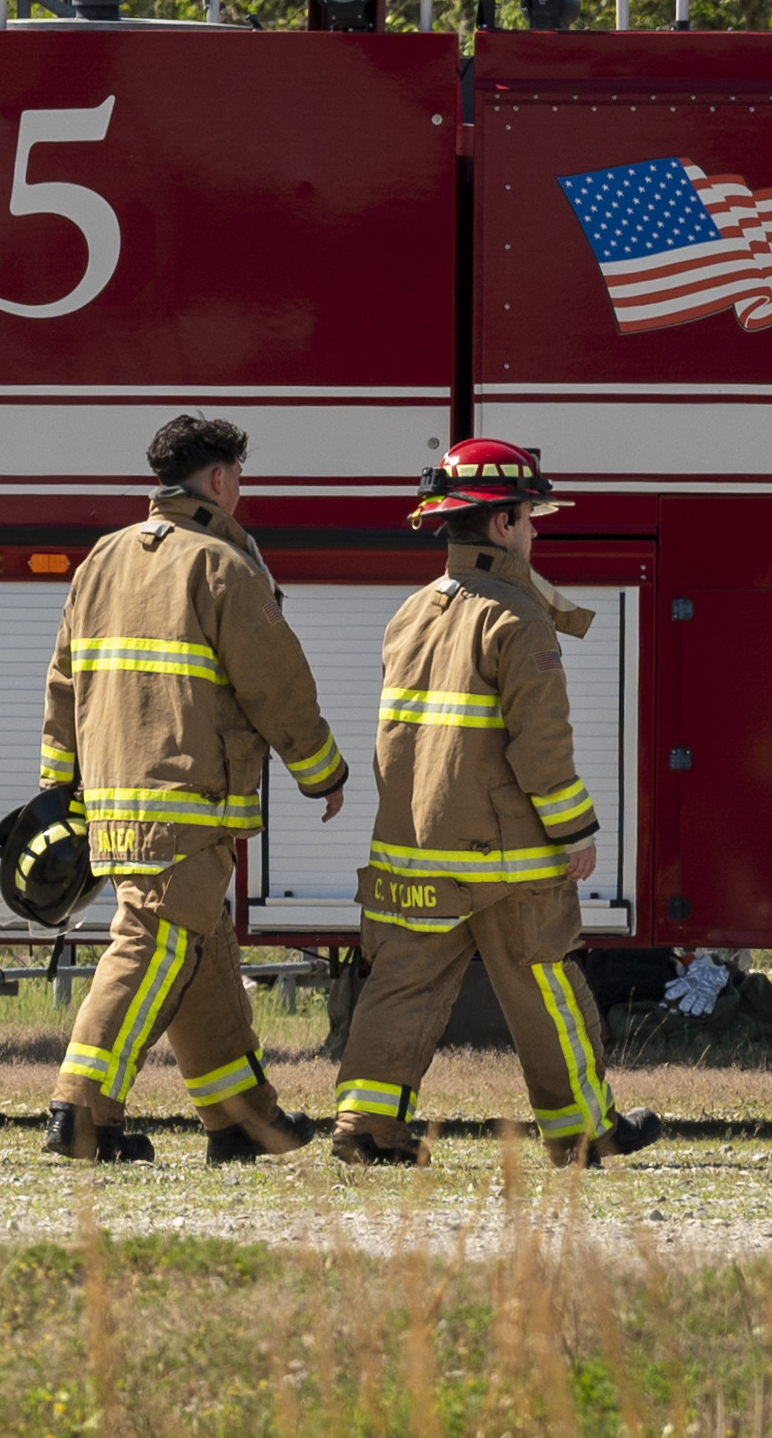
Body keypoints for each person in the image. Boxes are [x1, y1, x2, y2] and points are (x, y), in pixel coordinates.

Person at [329, 441, 665, 1168]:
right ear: (502, 523)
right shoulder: (515, 617)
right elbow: (540, 744)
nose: (537, 531)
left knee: (400, 984)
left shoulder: (410, 613)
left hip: (414, 850)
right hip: (505, 855)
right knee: (546, 984)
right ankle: (582, 1129)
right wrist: (574, 828)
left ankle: (365, 1124)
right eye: (530, 517)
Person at [38, 415, 348, 1165]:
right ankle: (79, 1115)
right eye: (237, 476)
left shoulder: (102, 559)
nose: (239, 491)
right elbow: (275, 682)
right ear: (216, 480)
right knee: (148, 946)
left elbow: (61, 683)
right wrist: (321, 769)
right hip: (189, 804)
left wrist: (59, 788)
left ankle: (242, 1121)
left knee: (200, 951)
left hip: (119, 803)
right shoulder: (222, 564)